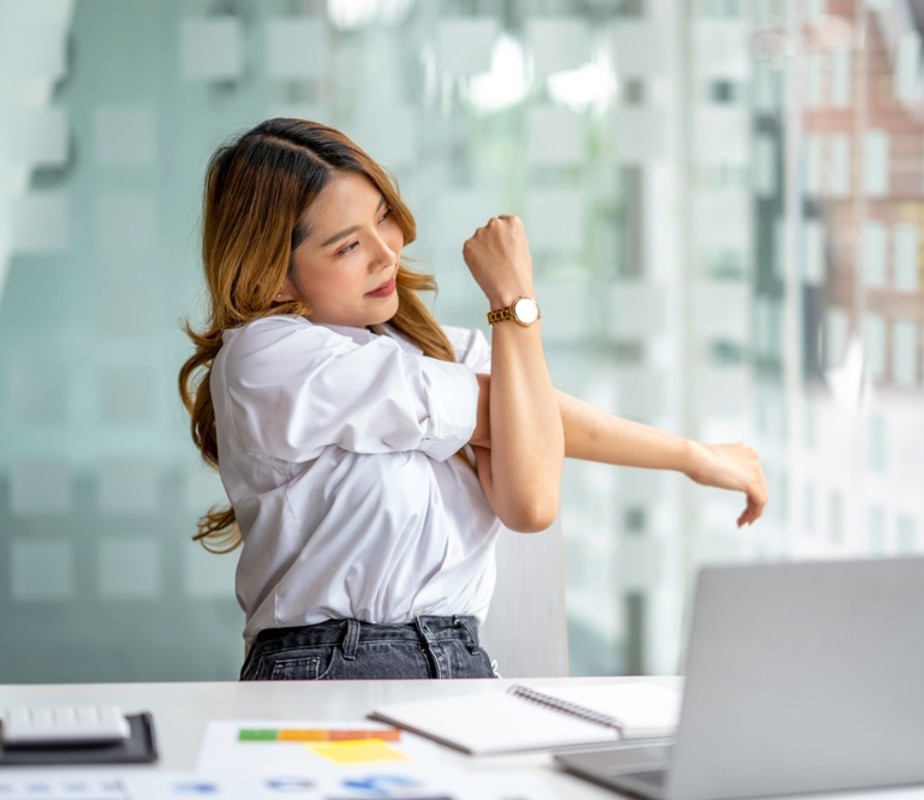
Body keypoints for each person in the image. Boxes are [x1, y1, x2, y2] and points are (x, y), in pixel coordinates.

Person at [179, 117, 769, 681]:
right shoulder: (267, 357)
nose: (387, 252)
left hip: (463, 662)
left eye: (384, 218)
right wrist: (513, 299)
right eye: (346, 247)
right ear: (277, 276)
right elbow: (520, 428)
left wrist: (696, 455)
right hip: (330, 666)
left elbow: (529, 499)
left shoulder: (441, 352)